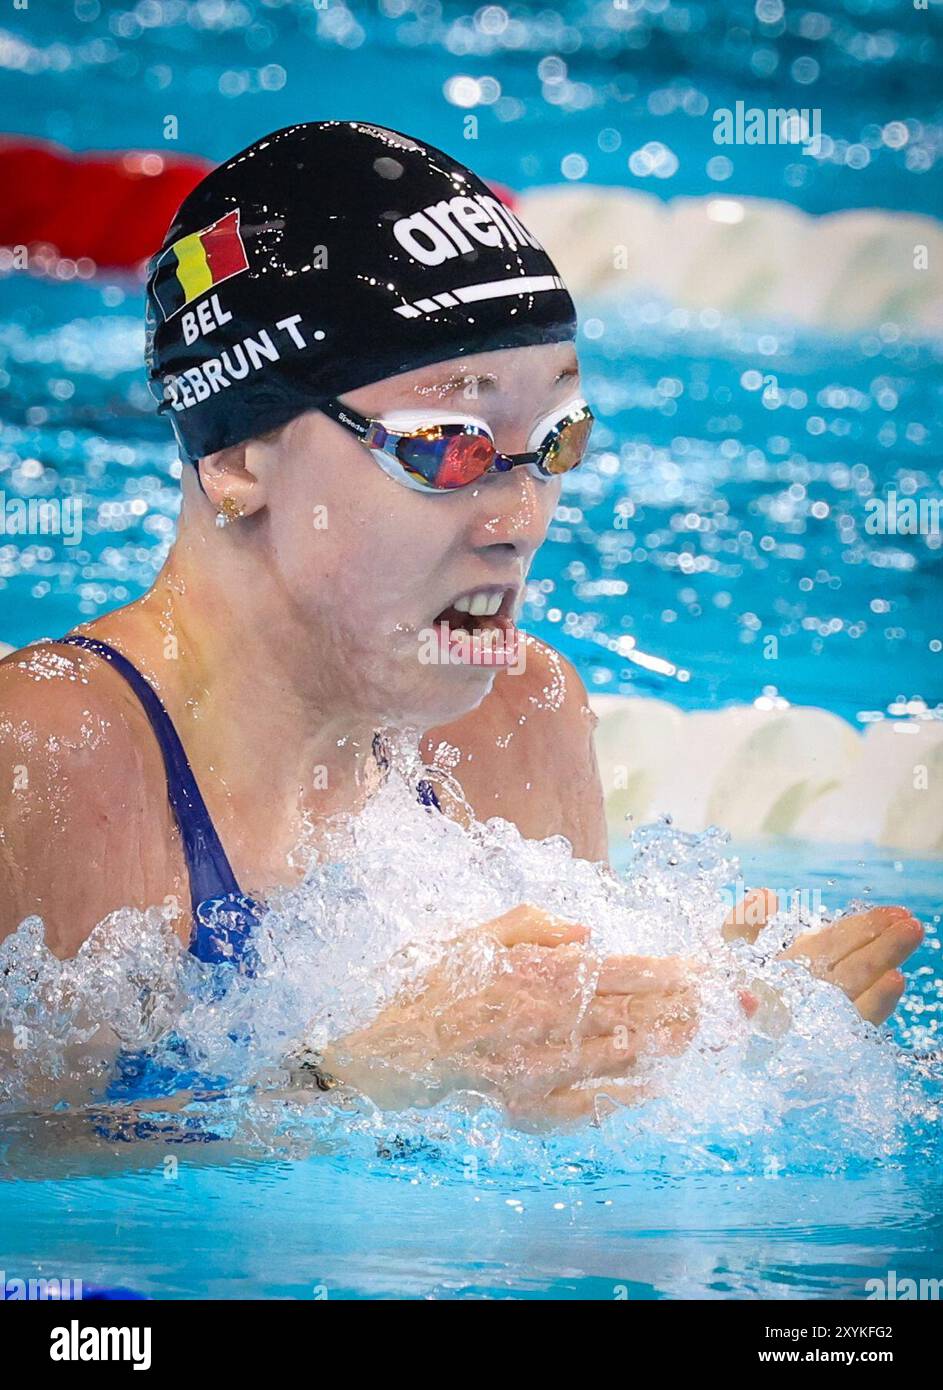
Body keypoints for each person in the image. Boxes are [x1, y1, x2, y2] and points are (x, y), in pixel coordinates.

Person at [0, 122, 922, 1125]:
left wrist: (710, 1040)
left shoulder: (521, 714)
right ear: (235, 458)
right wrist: (347, 1083)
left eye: (555, 440)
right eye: (446, 447)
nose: (519, 522)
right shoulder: (56, 754)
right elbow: (33, 1172)